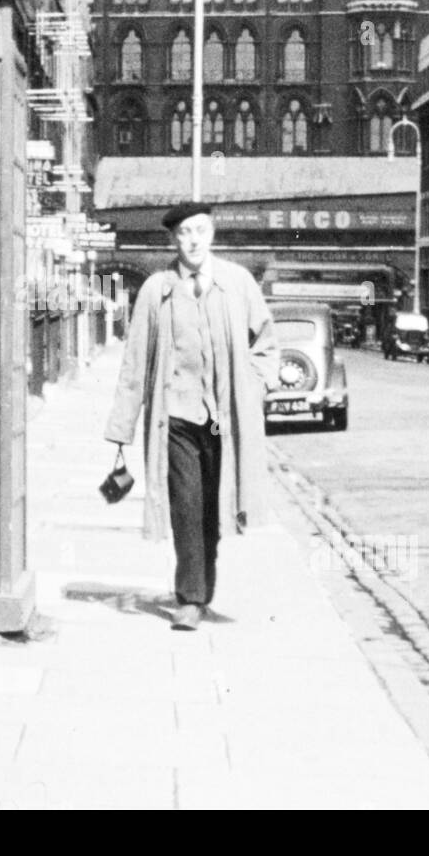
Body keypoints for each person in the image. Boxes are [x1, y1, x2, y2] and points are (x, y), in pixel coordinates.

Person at [104, 203, 278, 631]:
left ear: (213, 233)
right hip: (176, 418)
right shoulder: (156, 290)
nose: (194, 240)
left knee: (214, 508)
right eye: (185, 232)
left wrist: (255, 386)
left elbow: (267, 343)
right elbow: (135, 362)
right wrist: (121, 428)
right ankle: (190, 597)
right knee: (185, 505)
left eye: (201, 230)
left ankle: (202, 588)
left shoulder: (237, 283)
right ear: (173, 240)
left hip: (223, 420)